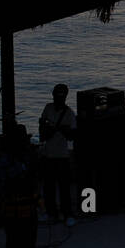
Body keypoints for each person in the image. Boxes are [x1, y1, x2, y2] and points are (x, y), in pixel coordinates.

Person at [0, 126, 40, 248]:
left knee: (30, 238)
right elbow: (0, 180)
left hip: (29, 203)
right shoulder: (4, 157)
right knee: (14, 240)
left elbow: (34, 176)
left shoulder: (27, 154)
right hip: (12, 205)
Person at [37, 84, 76, 226]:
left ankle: (68, 214)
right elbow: (42, 130)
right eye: (56, 95)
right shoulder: (48, 108)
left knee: (64, 187)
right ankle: (50, 212)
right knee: (49, 187)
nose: (58, 98)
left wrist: (59, 129)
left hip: (62, 155)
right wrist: (48, 129)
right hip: (48, 154)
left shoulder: (69, 113)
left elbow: (72, 135)